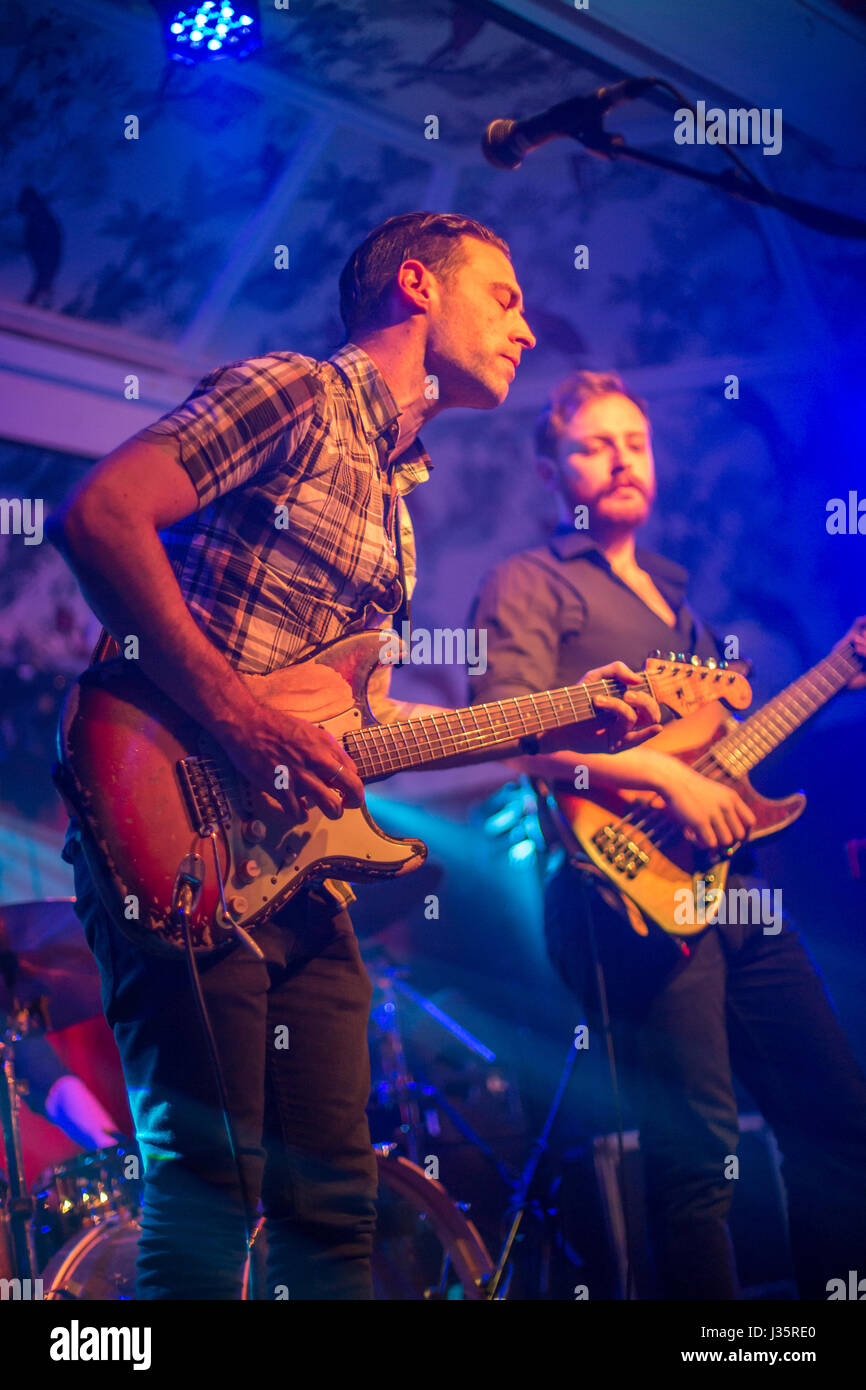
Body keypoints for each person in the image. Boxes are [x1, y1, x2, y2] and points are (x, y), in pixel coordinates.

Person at [47, 214, 655, 1301]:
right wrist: (236, 717)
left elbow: (350, 746)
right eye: (505, 297)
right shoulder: (295, 391)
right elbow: (100, 516)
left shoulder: (397, 504)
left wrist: (555, 724)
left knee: (332, 1207)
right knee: (205, 1194)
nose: (525, 327)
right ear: (416, 284)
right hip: (170, 833)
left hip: (292, 871)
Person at [468, 369, 866, 1300]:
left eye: (636, 443)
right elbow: (508, 733)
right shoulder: (529, 584)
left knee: (837, 1121)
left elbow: (722, 749)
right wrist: (661, 783)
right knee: (699, 1150)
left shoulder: (681, 612)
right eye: (593, 445)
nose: (620, 460)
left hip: (738, 886)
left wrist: (838, 672)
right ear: (546, 469)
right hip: (624, 886)